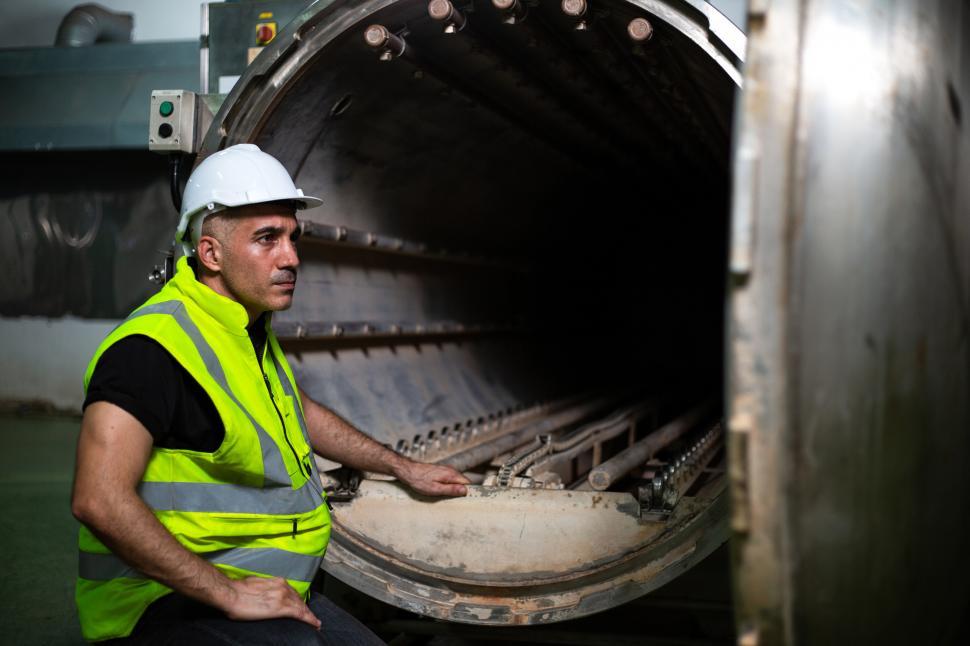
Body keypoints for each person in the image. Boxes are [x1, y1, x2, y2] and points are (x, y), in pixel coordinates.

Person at [71, 144, 471, 644]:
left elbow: (297, 411)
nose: (292, 258)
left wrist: (399, 466)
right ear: (211, 253)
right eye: (267, 239)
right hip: (163, 601)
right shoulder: (150, 350)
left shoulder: (243, 329)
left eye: (292, 238)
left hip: (264, 583)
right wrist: (228, 593)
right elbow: (98, 500)